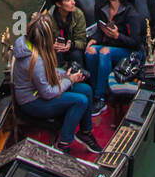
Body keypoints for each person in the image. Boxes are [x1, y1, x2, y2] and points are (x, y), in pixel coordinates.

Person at [12, 13, 102, 154]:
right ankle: (63, 145)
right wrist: (69, 80)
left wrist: (64, 74)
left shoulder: (31, 46)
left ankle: (85, 132)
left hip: (42, 91)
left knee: (85, 89)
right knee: (80, 101)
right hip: (33, 102)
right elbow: (47, 93)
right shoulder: (35, 61)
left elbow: (48, 72)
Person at [84, 0, 144, 115]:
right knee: (91, 51)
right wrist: (94, 40)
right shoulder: (101, 8)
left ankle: (101, 98)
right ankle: (96, 90)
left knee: (105, 52)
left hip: (132, 52)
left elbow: (136, 43)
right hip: (110, 48)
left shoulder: (131, 15)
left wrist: (118, 36)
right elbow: (100, 30)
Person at [47, 0, 89, 76]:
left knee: (76, 55)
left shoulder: (78, 14)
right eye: (69, 0)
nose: (73, 2)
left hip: (73, 49)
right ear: (58, 4)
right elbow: (43, 42)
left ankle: (81, 77)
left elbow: (82, 41)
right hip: (55, 50)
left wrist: (71, 45)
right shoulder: (48, 19)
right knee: (55, 55)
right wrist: (52, 46)